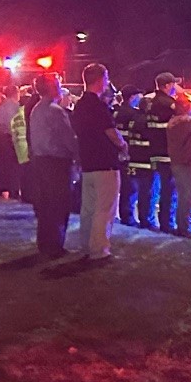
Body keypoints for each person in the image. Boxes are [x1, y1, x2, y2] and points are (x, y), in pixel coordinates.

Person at [71, 63, 124, 262]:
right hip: (105, 162)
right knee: (104, 208)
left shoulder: (80, 105)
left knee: (89, 209)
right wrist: (122, 145)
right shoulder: (97, 105)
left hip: (87, 162)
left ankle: (85, 246)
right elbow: (111, 132)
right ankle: (99, 249)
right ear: (101, 79)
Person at [24, 72, 77, 258]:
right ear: (53, 88)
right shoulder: (56, 111)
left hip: (40, 161)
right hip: (56, 163)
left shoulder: (36, 109)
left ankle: (45, 243)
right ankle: (55, 245)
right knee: (58, 204)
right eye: (57, 84)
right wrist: (78, 155)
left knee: (45, 204)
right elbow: (68, 139)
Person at [144, 73, 181, 231]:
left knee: (154, 189)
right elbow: (182, 114)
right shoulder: (168, 103)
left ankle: (152, 219)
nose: (175, 88)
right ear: (166, 85)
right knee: (169, 190)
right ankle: (167, 224)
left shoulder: (150, 103)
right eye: (173, 84)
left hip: (154, 151)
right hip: (167, 152)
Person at [165, 87, 191, 237]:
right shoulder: (181, 121)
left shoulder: (173, 121)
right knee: (190, 196)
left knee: (183, 195)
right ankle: (185, 228)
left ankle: (182, 226)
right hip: (185, 163)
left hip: (178, 162)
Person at [117, 86, 150, 226]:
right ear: (132, 97)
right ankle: (128, 217)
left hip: (116, 154)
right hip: (128, 154)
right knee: (130, 188)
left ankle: (125, 215)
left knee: (124, 188)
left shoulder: (116, 111)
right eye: (137, 96)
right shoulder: (132, 114)